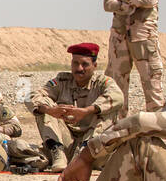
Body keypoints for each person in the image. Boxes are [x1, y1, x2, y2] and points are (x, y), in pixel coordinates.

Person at [29, 43, 123, 173]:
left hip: (93, 147)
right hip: (67, 142)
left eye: (85, 64)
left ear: (94, 66)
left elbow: (118, 97)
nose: (79, 68)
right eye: (75, 63)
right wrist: (50, 110)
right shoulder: (62, 81)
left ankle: (82, 155)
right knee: (42, 106)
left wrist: (87, 111)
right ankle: (58, 153)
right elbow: (30, 97)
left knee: (109, 109)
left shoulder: (103, 83)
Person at [103, 0, 164, 112]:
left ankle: (155, 132)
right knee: (116, 87)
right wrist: (125, 6)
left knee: (152, 85)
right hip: (119, 39)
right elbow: (107, 3)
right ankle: (118, 132)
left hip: (144, 37)